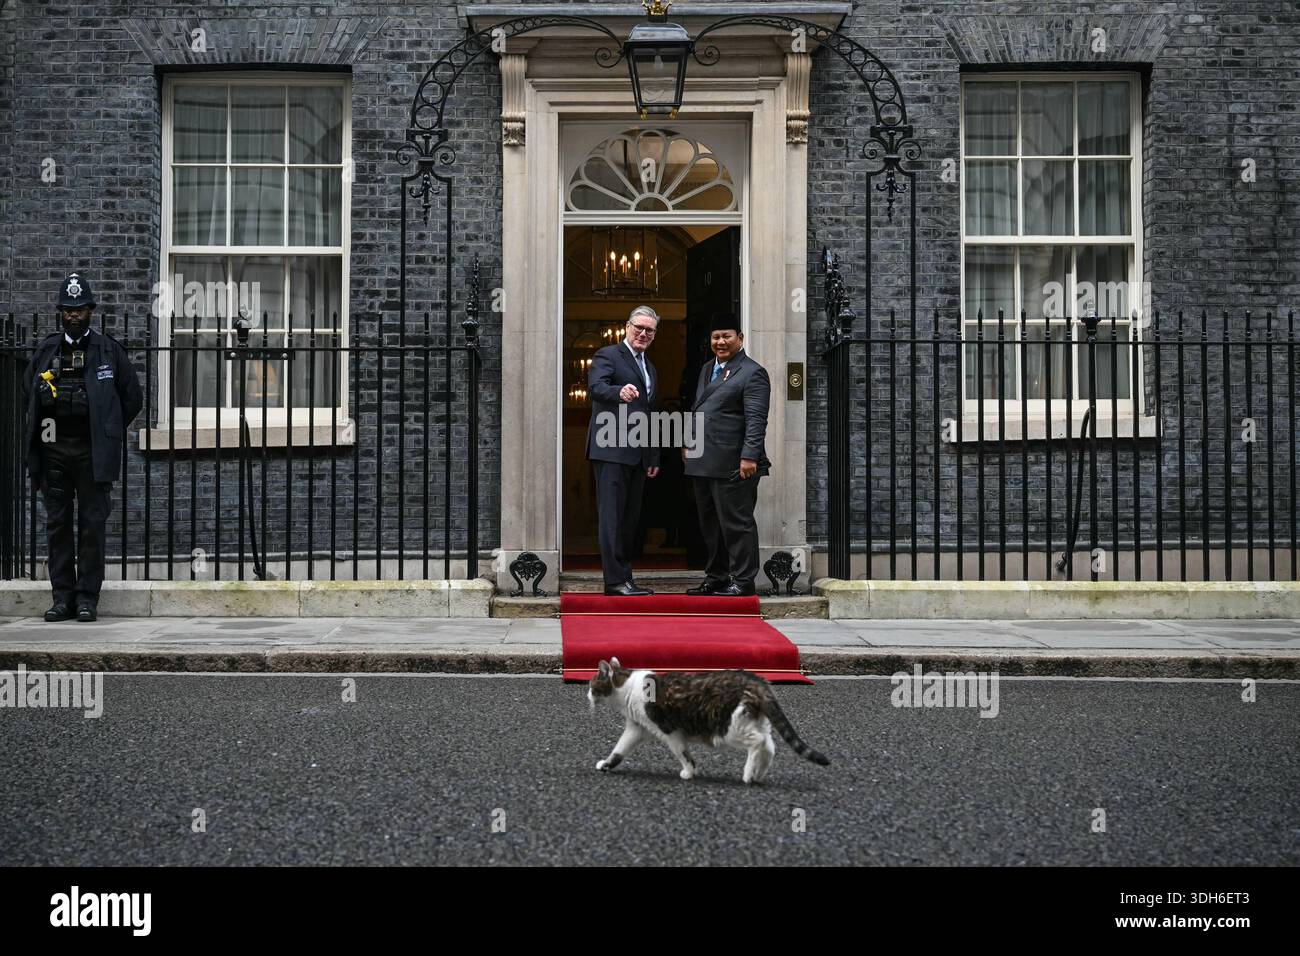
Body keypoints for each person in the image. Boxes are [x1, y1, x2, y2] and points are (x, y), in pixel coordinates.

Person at [22, 273, 143, 622]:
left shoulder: (108, 350)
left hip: (93, 452)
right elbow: (27, 392)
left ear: (90, 310)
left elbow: (132, 398)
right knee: (57, 525)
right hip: (54, 450)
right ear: (61, 312)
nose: (74, 315)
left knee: (92, 524)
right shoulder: (47, 350)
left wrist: (106, 428)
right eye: (68, 309)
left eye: (80, 309)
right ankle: (62, 598)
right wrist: (41, 399)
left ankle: (87, 597)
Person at [683, 315, 771, 597]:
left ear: (740, 338)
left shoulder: (752, 372)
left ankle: (743, 580)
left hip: (735, 463)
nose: (720, 342)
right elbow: (700, 410)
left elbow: (756, 420)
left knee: (736, 524)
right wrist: (688, 441)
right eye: (715, 337)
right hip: (704, 460)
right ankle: (717, 577)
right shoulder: (708, 368)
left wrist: (749, 456)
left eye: (726, 336)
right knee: (710, 526)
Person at [586, 305, 661, 596]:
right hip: (610, 448)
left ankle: (625, 578)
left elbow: (651, 413)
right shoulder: (608, 355)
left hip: (638, 454)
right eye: (638, 327)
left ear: (654, 335)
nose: (643, 333)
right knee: (612, 518)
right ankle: (615, 581)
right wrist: (618, 392)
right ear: (626, 327)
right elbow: (595, 387)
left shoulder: (649, 367)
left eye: (649, 330)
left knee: (630, 519)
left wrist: (652, 455)